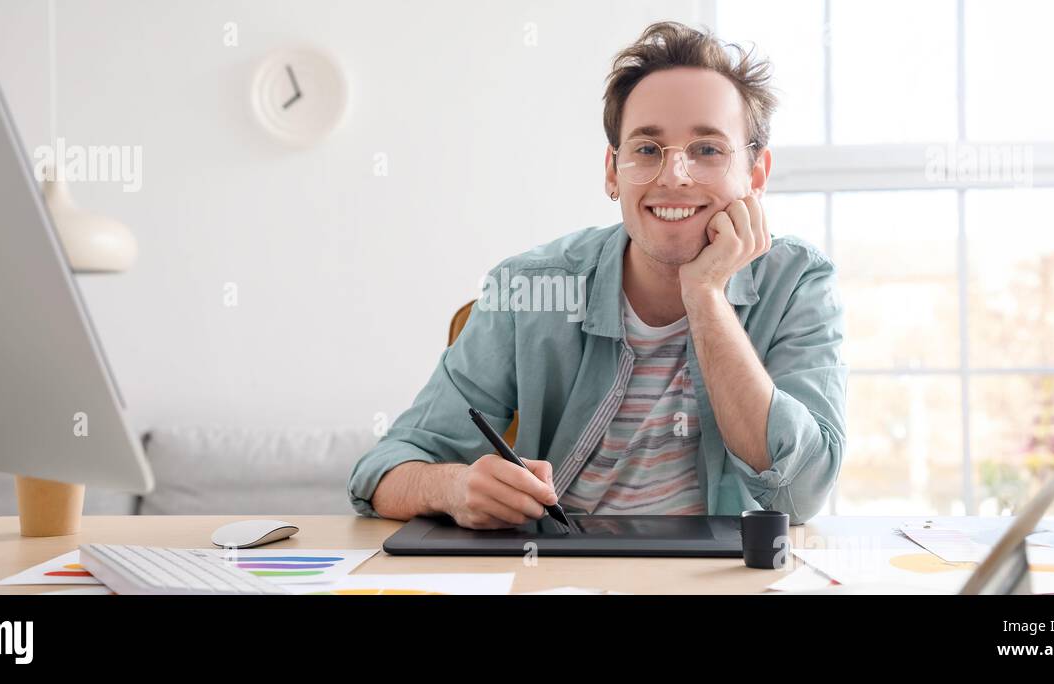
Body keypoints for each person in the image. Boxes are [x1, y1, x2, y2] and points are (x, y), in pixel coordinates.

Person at [349, 21, 846, 529]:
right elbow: (381, 472)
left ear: (755, 175)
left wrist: (706, 295)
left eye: (707, 150)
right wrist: (452, 487)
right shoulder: (527, 288)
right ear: (613, 172)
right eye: (647, 150)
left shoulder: (798, 283)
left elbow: (801, 493)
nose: (674, 177)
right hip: (555, 573)